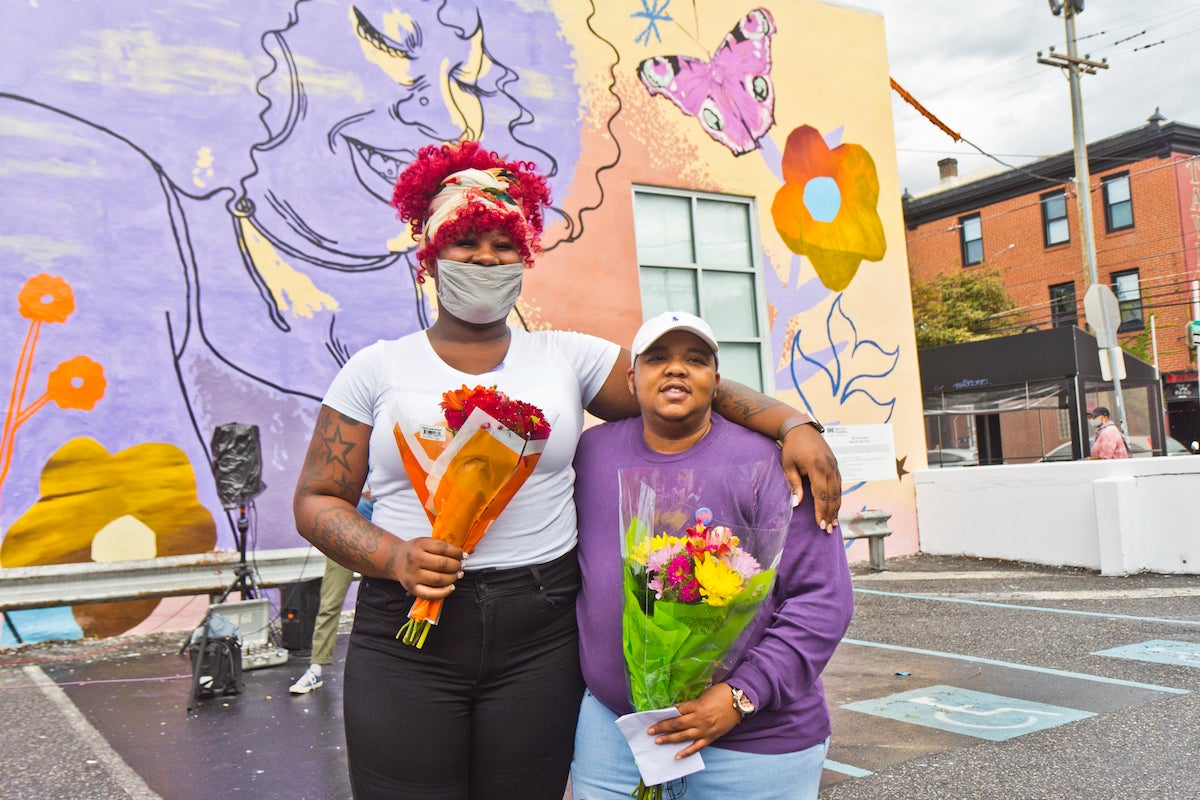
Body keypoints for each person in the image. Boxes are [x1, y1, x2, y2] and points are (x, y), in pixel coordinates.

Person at [292, 140, 842, 800]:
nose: (487, 260)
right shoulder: (376, 368)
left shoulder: (566, 359)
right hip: (408, 627)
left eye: (504, 245)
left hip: (539, 633)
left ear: (524, 259)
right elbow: (319, 498)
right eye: (468, 243)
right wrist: (391, 556)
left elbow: (676, 383)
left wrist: (790, 423)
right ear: (430, 255)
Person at [571, 311, 855, 800]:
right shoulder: (589, 455)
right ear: (631, 379)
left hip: (756, 746)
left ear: (717, 382)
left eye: (695, 360)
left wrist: (741, 696)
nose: (676, 369)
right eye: (657, 358)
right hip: (616, 738)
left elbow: (822, 600)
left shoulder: (775, 463)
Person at [289, 487, 373, 695]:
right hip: (346, 537)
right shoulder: (356, 459)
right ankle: (315, 669)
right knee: (330, 603)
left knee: (383, 603)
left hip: (383, 539)